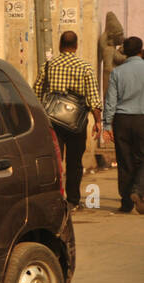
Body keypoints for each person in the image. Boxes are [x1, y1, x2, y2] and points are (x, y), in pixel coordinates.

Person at [32, 30, 102, 210]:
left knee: (54, 161)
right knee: (74, 162)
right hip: (76, 123)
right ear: (76, 46)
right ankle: (72, 200)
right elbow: (93, 98)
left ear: (60, 45)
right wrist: (98, 122)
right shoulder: (85, 67)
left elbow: (37, 92)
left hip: (53, 121)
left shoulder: (48, 65)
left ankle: (55, 197)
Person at [104, 35, 144, 214]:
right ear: (141, 50)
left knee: (124, 160)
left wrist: (107, 125)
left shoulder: (117, 72)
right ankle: (138, 190)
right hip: (142, 119)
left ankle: (126, 202)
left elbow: (110, 100)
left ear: (125, 52)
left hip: (122, 120)